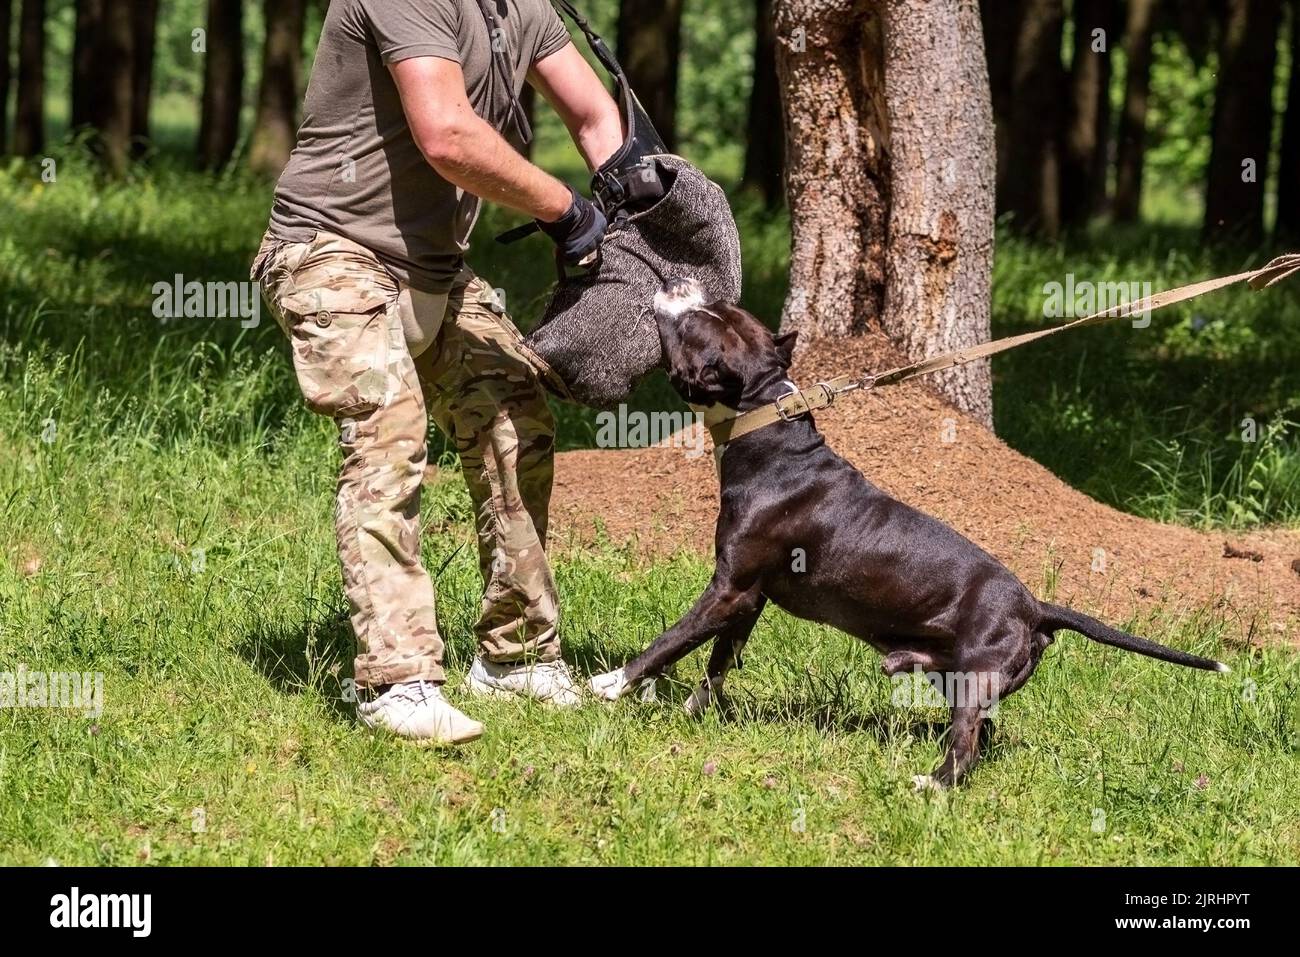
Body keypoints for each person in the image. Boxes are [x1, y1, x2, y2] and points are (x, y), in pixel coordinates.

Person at [251, 0, 624, 743]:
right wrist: (566, 210)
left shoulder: (523, 7)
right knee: (390, 433)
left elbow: (591, 115)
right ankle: (398, 679)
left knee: (517, 413)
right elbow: (448, 135)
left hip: (435, 268)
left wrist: (631, 192)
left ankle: (516, 658)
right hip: (330, 252)